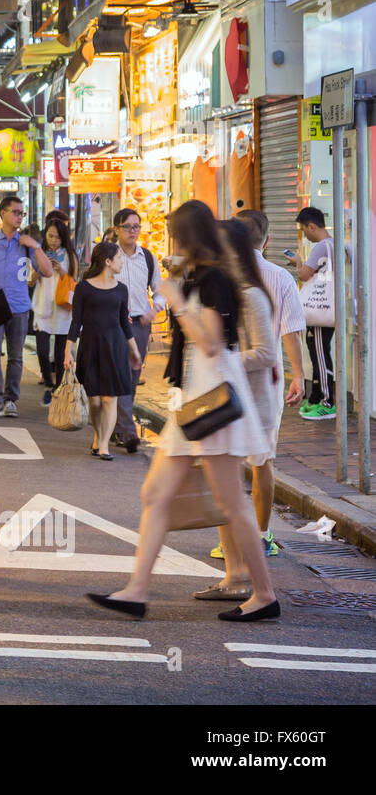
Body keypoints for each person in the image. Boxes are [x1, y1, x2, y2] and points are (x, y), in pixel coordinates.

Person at [88, 200, 278, 622]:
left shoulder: (215, 279)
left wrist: (176, 299)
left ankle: (264, 594)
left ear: (189, 237)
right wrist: (177, 285)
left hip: (213, 399)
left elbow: (210, 342)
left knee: (232, 503)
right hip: (196, 396)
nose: (172, 245)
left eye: (176, 237)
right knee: (156, 494)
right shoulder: (201, 275)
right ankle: (137, 590)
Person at [193, 219, 279, 600]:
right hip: (229, 404)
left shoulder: (252, 295)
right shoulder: (231, 292)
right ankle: (237, 576)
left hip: (247, 405)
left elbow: (266, 353)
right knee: (224, 495)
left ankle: (254, 585)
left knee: (229, 495)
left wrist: (225, 360)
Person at [226, 209, 307, 558]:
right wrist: (299, 375)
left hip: (226, 380)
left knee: (227, 462)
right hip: (266, 383)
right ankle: (260, 535)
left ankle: (229, 539)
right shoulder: (280, 277)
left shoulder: (221, 276)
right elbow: (291, 331)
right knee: (262, 462)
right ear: (267, 241)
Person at [0, 195, 53, 417]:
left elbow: (47, 271)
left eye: (21, 213)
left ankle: (11, 400)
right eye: (15, 212)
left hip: (19, 306)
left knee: (16, 356)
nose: (19, 217)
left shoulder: (26, 243)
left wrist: (36, 246)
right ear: (3, 213)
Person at [64, 242, 142, 461]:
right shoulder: (83, 288)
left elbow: (125, 323)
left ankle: (104, 444)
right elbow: (76, 322)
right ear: (107, 261)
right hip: (91, 347)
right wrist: (68, 351)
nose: (121, 261)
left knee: (109, 399)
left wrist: (134, 350)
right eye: (118, 258)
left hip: (115, 347)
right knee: (96, 401)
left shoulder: (121, 289)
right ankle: (98, 436)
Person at [110, 207, 166, 454]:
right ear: (116, 229)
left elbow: (160, 289)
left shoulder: (147, 257)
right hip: (114, 325)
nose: (133, 231)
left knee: (132, 376)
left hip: (140, 325)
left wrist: (154, 310)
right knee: (121, 374)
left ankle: (117, 427)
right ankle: (128, 431)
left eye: (136, 226)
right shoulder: (109, 256)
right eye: (127, 227)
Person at [289, 206, 344, 420]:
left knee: (320, 355)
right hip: (323, 308)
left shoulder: (322, 247)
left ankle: (327, 403)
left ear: (312, 226)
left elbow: (304, 275)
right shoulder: (334, 244)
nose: (305, 235)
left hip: (320, 310)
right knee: (317, 352)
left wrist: (298, 262)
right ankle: (316, 397)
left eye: (304, 230)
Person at [32, 219, 78, 406]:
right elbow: (30, 281)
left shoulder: (69, 255)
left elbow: (74, 280)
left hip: (62, 309)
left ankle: (57, 389)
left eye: (58, 237)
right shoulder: (39, 253)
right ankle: (48, 383)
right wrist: (39, 270)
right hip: (42, 306)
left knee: (60, 354)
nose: (53, 240)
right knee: (42, 351)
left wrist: (61, 271)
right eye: (50, 236)